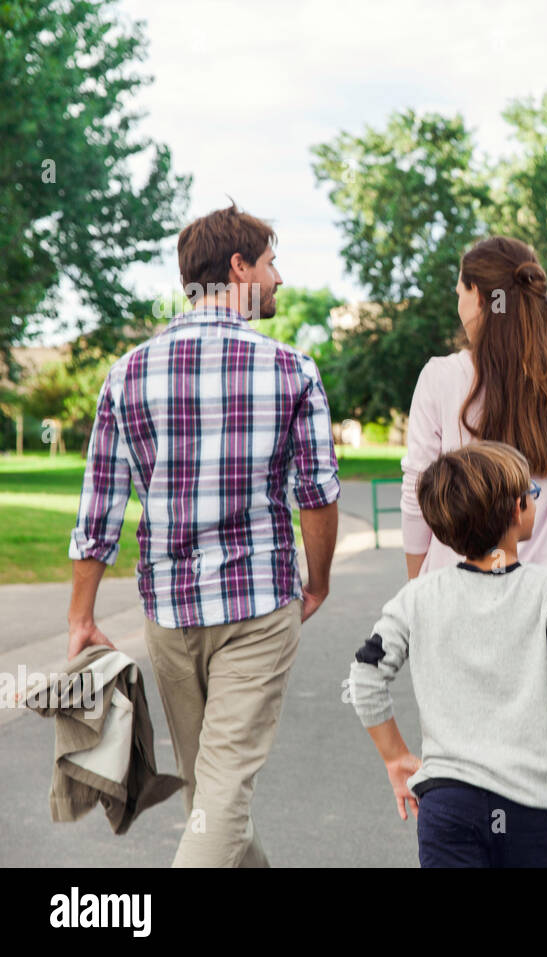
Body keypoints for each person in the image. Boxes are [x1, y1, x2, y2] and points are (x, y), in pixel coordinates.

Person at [68, 203, 340, 867]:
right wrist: (319, 580)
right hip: (257, 606)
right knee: (214, 799)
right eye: (271, 262)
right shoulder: (291, 370)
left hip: (168, 612)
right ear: (239, 267)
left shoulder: (127, 373)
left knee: (214, 794)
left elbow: (100, 502)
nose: (279, 276)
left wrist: (80, 614)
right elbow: (318, 495)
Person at [349, 442, 547, 867]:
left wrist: (396, 756)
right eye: (531, 491)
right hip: (530, 806)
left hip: (447, 802)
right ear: (518, 509)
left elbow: (365, 675)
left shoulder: (417, 597)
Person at [400, 237, 547, 711]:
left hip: (453, 603)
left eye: (459, 291)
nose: (458, 302)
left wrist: (418, 588)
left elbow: (417, 499)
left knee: (458, 756)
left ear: (478, 297)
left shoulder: (438, 379)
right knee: (534, 757)